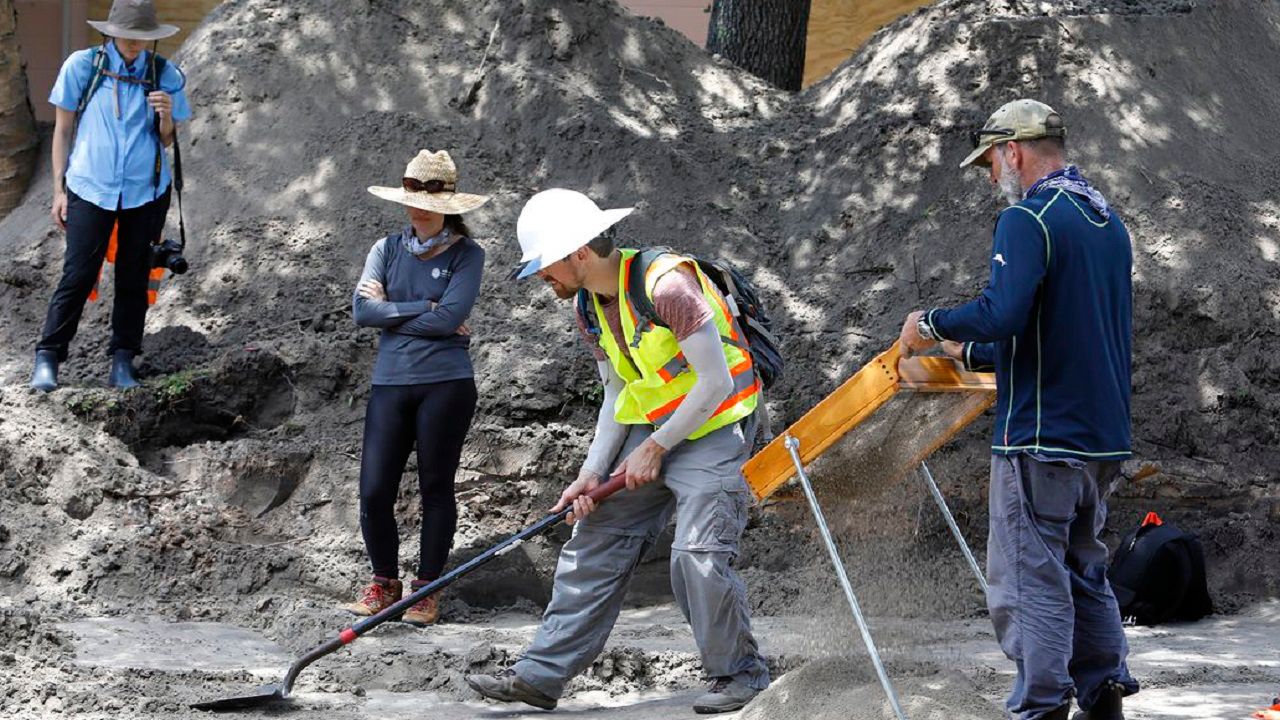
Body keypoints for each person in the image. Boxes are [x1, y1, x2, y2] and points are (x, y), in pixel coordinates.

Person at [465, 189, 770, 714]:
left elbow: (715, 383)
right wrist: (592, 471)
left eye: (546, 264)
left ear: (579, 251)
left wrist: (656, 447)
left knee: (697, 556)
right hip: (655, 427)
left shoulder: (667, 286)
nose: (542, 277)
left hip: (716, 426)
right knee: (596, 537)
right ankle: (540, 677)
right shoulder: (589, 305)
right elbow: (615, 392)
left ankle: (740, 674)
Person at [897, 99, 1139, 720]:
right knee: (1086, 570)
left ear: (1014, 151)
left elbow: (1004, 312)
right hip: (1101, 436)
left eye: (989, 161)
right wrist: (967, 347)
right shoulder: (1106, 223)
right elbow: (1053, 328)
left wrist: (930, 324)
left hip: (1040, 437)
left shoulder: (1028, 221)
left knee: (1031, 582)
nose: (988, 176)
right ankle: (1103, 695)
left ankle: (1041, 706)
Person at [345, 149, 488, 626]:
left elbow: (452, 317)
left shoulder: (468, 254)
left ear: (451, 204)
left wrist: (399, 311)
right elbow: (362, 313)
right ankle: (385, 582)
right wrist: (424, 309)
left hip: (446, 384)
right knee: (373, 489)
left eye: (429, 199)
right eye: (412, 197)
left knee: (435, 487)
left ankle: (427, 589)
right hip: (390, 382)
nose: (419, 207)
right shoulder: (384, 249)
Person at [33, 0, 191, 391]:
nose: (135, 44)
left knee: (134, 276)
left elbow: (168, 140)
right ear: (111, 32)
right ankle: (48, 356)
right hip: (89, 187)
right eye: (129, 36)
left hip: (146, 191)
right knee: (78, 273)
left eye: (144, 37)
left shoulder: (164, 74)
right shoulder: (82, 67)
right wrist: (58, 189)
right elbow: (63, 130)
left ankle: (123, 361)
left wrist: (166, 116)